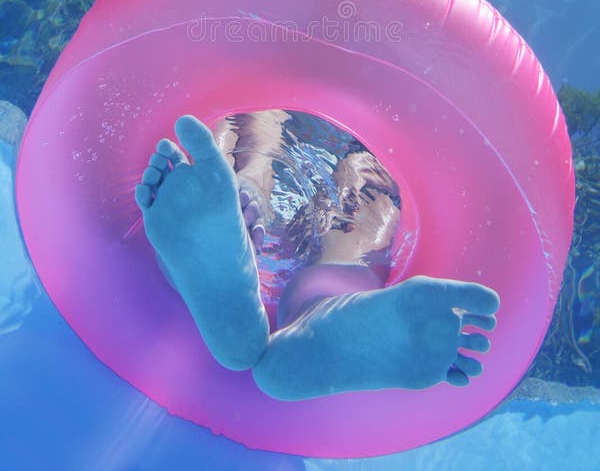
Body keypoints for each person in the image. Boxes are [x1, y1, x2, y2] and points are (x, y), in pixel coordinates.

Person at [135, 113, 500, 400]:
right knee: (367, 175)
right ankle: (323, 305)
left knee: (255, 122)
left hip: (280, 115)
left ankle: (240, 202)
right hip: (365, 134)